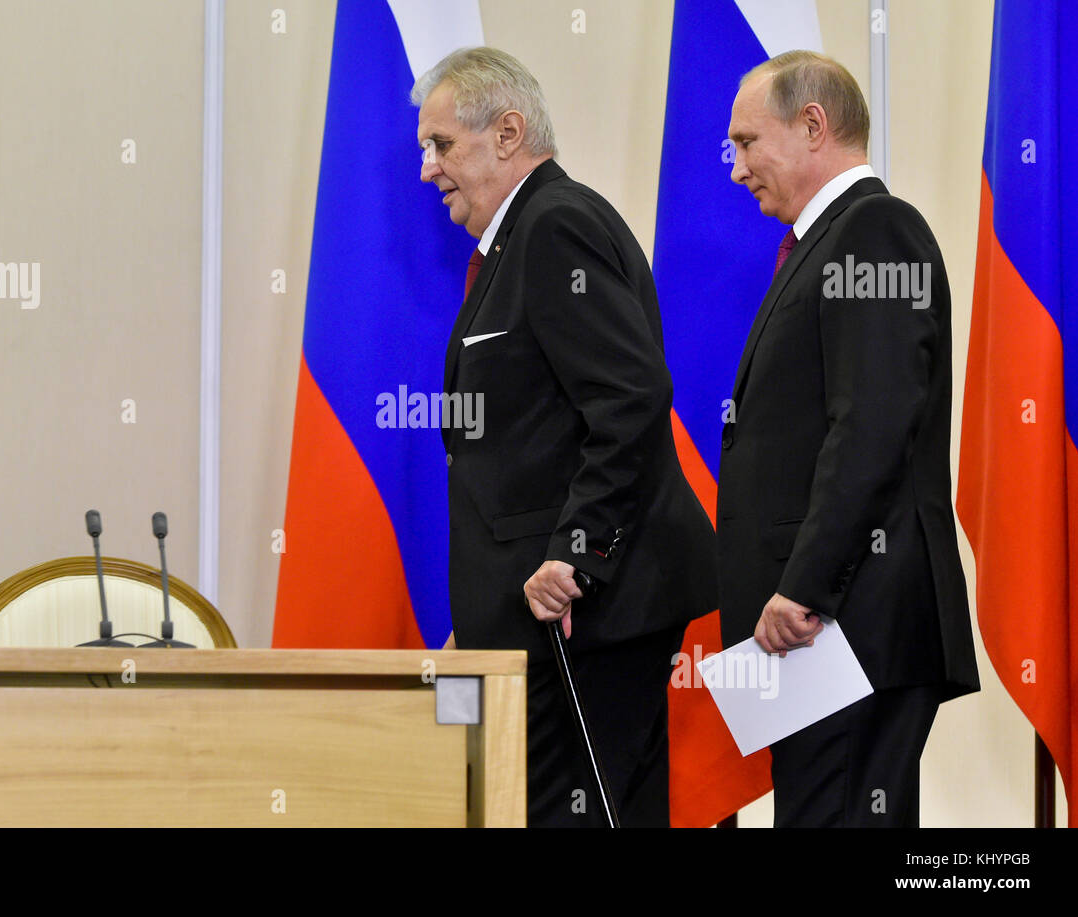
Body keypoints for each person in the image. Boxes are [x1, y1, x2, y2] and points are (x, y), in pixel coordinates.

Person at [414, 47, 717, 827]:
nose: (427, 169)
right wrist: (480, 609)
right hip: (539, 620)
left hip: (583, 617)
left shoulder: (556, 227)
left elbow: (631, 396)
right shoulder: (520, 241)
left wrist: (578, 553)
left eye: (441, 145)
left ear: (507, 132)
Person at [718, 50, 979, 827]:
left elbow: (871, 424)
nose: (737, 169)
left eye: (746, 142)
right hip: (827, 633)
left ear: (811, 126)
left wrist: (803, 586)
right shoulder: (826, 241)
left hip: (848, 623)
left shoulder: (875, 230)